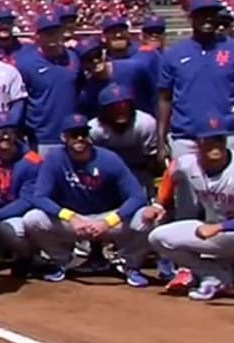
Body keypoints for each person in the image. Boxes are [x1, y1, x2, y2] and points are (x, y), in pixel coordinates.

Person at [145, 116, 234, 314]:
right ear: (197, 143)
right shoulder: (188, 163)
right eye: (208, 140)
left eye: (219, 138)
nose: (215, 144)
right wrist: (159, 205)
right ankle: (214, 276)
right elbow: (171, 172)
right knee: (159, 237)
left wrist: (220, 227)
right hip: (217, 233)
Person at [155, 0, 234, 218]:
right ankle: (188, 251)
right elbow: (164, 98)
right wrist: (161, 140)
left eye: (212, 14)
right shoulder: (175, 53)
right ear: (191, 17)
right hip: (185, 135)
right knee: (187, 204)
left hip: (226, 134)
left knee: (229, 201)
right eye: (202, 14)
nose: (208, 19)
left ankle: (227, 251)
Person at [26, 114, 153, 286]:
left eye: (83, 134)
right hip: (74, 221)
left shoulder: (109, 159)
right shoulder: (55, 159)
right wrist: (71, 217)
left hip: (107, 219)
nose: (80, 139)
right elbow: (39, 197)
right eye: (74, 134)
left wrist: (108, 221)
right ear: (64, 137)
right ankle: (65, 260)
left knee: (147, 219)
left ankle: (129, 264)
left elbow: (137, 196)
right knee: (33, 219)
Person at [0, 111, 43, 277]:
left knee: (7, 230)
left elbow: (27, 201)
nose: (5, 137)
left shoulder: (32, 162)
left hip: (19, 216)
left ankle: (28, 258)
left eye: (9, 132)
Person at [16, 14, 80, 156]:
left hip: (73, 134)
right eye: (46, 33)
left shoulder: (74, 58)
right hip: (41, 138)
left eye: (55, 32)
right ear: (37, 36)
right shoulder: (25, 64)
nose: (52, 36)